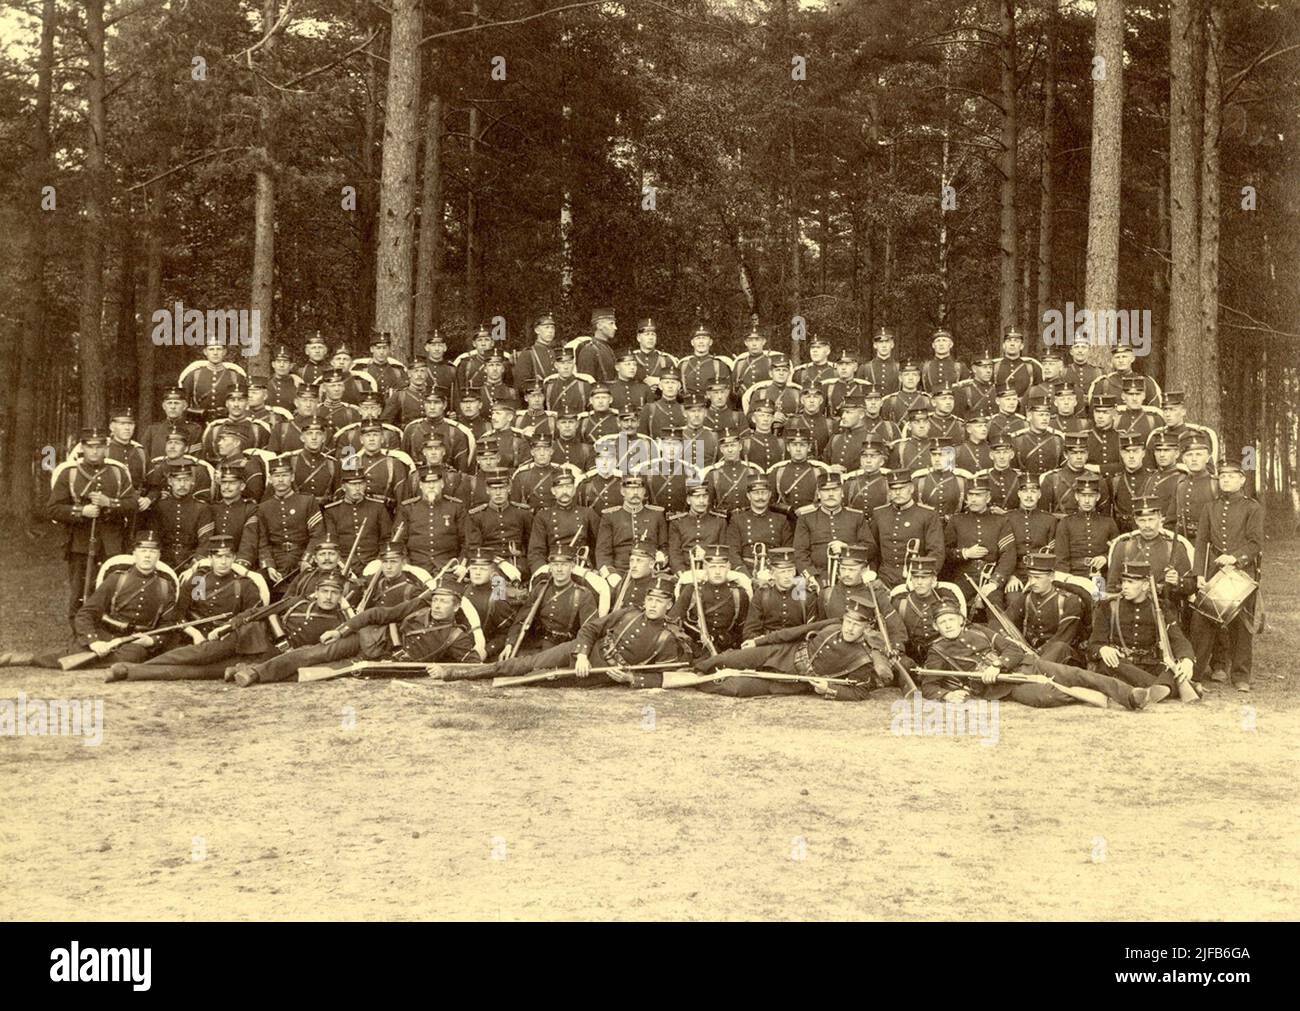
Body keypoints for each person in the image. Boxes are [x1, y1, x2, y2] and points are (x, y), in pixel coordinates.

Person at [920, 600, 1167, 710]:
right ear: (935, 627)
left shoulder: (980, 631)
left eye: (952, 620)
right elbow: (928, 685)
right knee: (1045, 697)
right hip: (1005, 686)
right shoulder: (938, 651)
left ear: (962, 621)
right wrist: (948, 694)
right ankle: (1092, 696)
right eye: (942, 622)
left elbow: (1013, 649)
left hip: (1027, 665)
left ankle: (1131, 696)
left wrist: (998, 664)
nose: (948, 625)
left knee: (1075, 673)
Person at [449, 575, 688, 686]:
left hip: (600, 673)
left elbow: (664, 675)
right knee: (528, 663)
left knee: (542, 680)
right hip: (581, 652)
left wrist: (631, 678)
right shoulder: (628, 613)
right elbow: (590, 628)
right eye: (651, 599)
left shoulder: (668, 638)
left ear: (669, 605)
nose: (653, 605)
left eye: (660, 601)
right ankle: (464, 673)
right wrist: (582, 654)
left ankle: (485, 675)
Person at [3, 532, 176, 669]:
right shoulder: (117, 579)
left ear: (159, 555)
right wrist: (95, 642)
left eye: (152, 551)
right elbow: (85, 614)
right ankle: (28, 659)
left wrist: (151, 641)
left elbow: (168, 626)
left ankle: (87, 659)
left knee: (134, 655)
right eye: (143, 551)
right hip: (106, 633)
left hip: (134, 641)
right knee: (79, 650)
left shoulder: (165, 586)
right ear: (134, 554)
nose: (147, 556)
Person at [693, 593, 893, 700]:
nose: (849, 628)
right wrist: (758, 641)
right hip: (782, 653)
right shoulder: (833, 624)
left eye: (857, 625)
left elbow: (861, 691)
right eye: (848, 621)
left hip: (792, 680)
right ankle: (694, 672)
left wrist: (829, 690)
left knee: (737, 687)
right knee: (729, 658)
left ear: (866, 627)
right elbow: (794, 632)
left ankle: (696, 684)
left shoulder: (863, 659)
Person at [47, 427, 136, 629]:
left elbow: (132, 504)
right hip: (79, 543)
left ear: (106, 448)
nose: (95, 452)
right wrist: (81, 511)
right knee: (80, 592)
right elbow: (53, 509)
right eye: (90, 447)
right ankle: (79, 634)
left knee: (111, 588)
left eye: (99, 447)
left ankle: (107, 631)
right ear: (83, 448)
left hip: (112, 544)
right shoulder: (69, 473)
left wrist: (110, 503)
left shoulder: (117, 472)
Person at [1190, 458, 1264, 692]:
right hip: (1215, 573)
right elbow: (1201, 543)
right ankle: (1198, 672)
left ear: (1242, 480)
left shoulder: (1253, 507)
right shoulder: (1210, 507)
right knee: (1204, 621)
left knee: (1241, 626)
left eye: (1232, 476)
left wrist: (1235, 558)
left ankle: (1241, 675)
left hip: (1241, 574)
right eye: (1222, 476)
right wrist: (1199, 574)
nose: (1226, 480)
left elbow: (1255, 544)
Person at [1085, 560, 1197, 700]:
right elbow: (1094, 644)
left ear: (1145, 585)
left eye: (1130, 582)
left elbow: (1178, 639)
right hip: (1121, 664)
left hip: (1150, 663)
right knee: (1109, 664)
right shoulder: (1109, 606)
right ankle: (1163, 688)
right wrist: (1102, 649)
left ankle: (1151, 690)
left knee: (1171, 668)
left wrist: (1187, 660)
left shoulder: (1160, 608)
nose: (1124, 586)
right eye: (1124, 581)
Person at [1003, 552, 1086, 663]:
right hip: (1032, 653)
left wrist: (1035, 655)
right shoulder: (1026, 598)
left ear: (1051, 577)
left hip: (1064, 658)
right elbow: (1005, 620)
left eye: (1037, 578)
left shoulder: (1069, 600)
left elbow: (1064, 638)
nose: (1032, 582)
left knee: (1059, 647)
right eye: (1030, 577)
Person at [668, 545, 748, 653]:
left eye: (722, 567)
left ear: (729, 567)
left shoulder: (738, 593)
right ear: (705, 567)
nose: (718, 572)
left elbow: (743, 627)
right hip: (694, 648)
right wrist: (686, 641)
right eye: (712, 567)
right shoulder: (692, 590)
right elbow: (672, 620)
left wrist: (728, 640)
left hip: (726, 650)